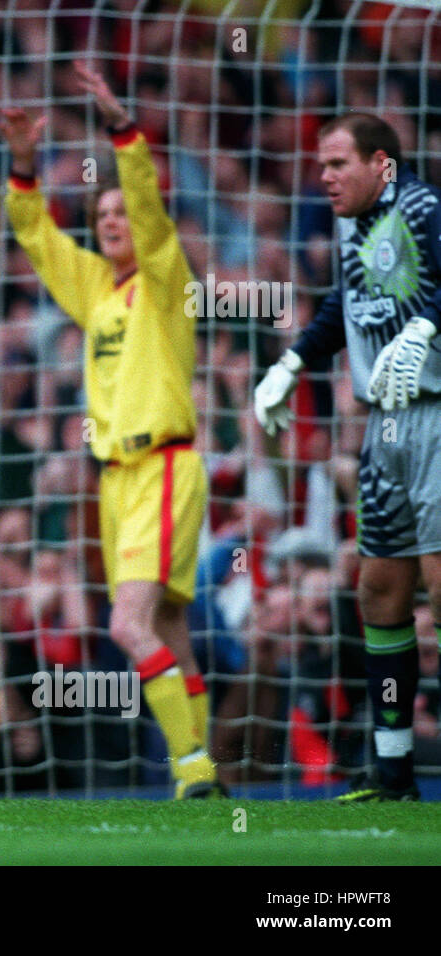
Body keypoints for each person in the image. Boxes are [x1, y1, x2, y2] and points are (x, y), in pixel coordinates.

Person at [2, 64, 224, 798]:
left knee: (129, 626)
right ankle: (205, 770)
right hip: (116, 479)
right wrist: (25, 168)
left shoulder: (164, 281)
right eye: (101, 218)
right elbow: (37, 237)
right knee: (171, 630)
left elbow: (151, 209)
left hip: (163, 467)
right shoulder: (97, 288)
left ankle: (190, 770)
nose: (110, 224)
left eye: (119, 216)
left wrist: (123, 129)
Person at [254, 111, 441, 801]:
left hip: (437, 416)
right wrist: (295, 361)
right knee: (379, 591)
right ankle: (392, 773)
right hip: (382, 430)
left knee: (440, 585)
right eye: (321, 165)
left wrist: (426, 323)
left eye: (337, 164)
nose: (323, 177)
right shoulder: (351, 225)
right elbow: (345, 304)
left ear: (381, 164)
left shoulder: (424, 211)